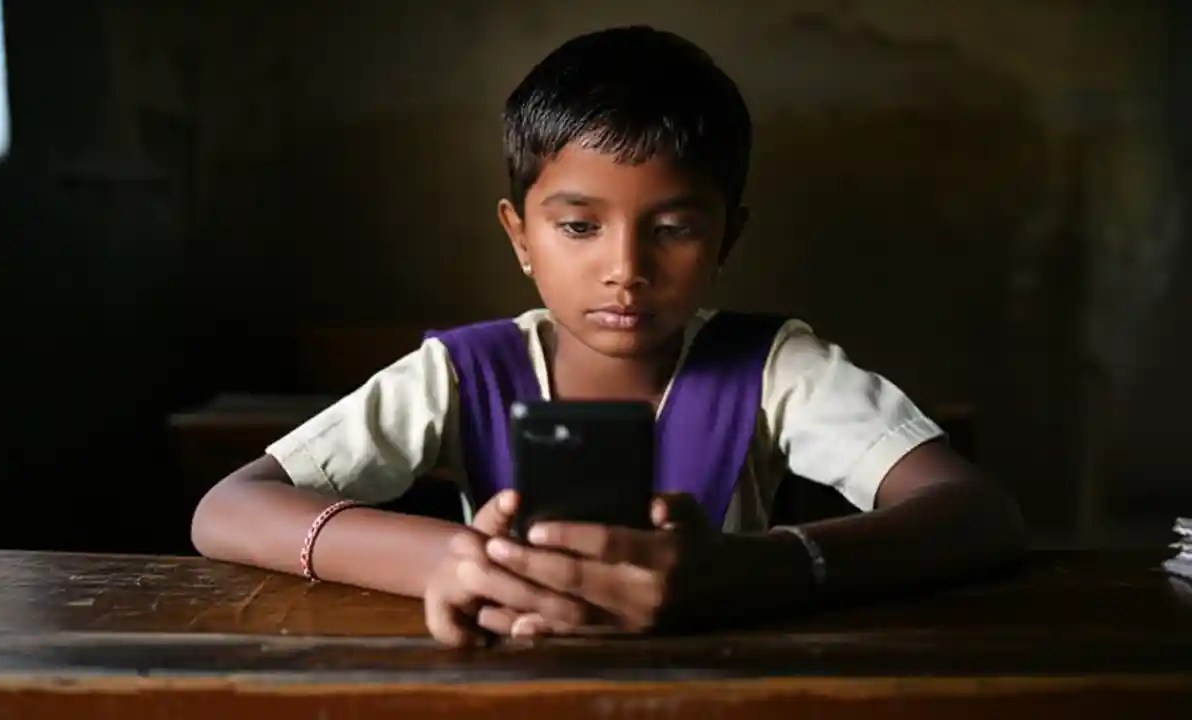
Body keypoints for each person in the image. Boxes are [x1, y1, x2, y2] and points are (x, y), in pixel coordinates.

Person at [190, 25, 1027, 647]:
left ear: (727, 238)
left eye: (673, 229)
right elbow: (227, 508)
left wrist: (747, 571)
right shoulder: (464, 370)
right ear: (521, 236)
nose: (626, 269)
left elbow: (976, 513)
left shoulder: (775, 366)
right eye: (580, 226)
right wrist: (449, 561)